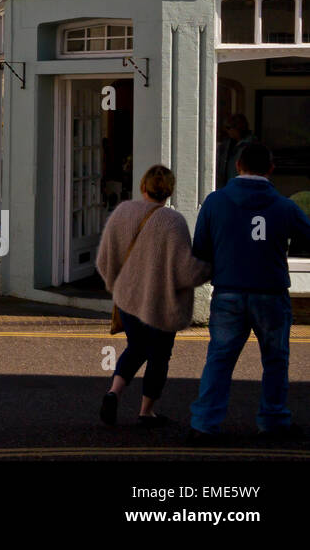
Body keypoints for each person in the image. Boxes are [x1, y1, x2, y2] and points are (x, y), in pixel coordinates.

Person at [187, 142, 310, 442]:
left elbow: (200, 249)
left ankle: (205, 424)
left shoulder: (215, 203)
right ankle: (273, 421)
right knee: (275, 360)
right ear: (270, 169)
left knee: (219, 359)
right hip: (270, 292)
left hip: (229, 291)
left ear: (238, 165)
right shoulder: (285, 206)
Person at [95, 165, 212, 428]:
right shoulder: (173, 221)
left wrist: (120, 285)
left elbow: (104, 261)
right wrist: (209, 269)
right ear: (169, 191)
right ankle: (146, 412)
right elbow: (185, 271)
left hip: (128, 300)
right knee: (159, 355)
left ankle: (113, 392)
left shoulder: (122, 212)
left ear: (143, 187)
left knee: (136, 347)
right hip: (162, 305)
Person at [216, 114, 254, 186]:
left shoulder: (251, 145)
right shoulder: (226, 144)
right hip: (226, 185)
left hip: (242, 186)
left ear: (237, 128)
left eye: (228, 128)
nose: (226, 131)